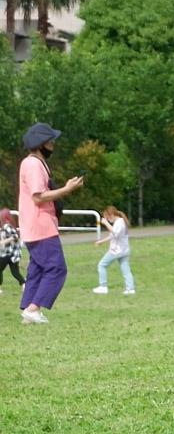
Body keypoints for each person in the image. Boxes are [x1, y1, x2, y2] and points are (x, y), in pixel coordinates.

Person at [17, 122, 83, 324]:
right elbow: (39, 197)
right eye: (50, 141)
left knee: (37, 269)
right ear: (41, 144)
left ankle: (28, 310)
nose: (53, 144)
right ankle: (34, 308)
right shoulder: (34, 165)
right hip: (41, 226)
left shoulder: (32, 163)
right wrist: (67, 189)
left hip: (34, 226)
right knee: (56, 268)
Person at [92, 205, 134, 295]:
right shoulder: (121, 222)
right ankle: (130, 289)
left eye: (107, 218)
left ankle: (103, 286)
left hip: (117, 250)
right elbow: (113, 235)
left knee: (101, 265)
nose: (108, 220)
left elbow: (115, 233)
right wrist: (101, 242)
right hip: (124, 250)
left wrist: (106, 223)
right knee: (125, 269)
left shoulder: (119, 222)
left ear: (111, 215)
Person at [0, 208, 24, 294]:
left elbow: (15, 237)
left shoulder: (7, 226)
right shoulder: (5, 227)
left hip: (8, 253)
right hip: (13, 254)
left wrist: (4, 241)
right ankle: (24, 285)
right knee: (15, 272)